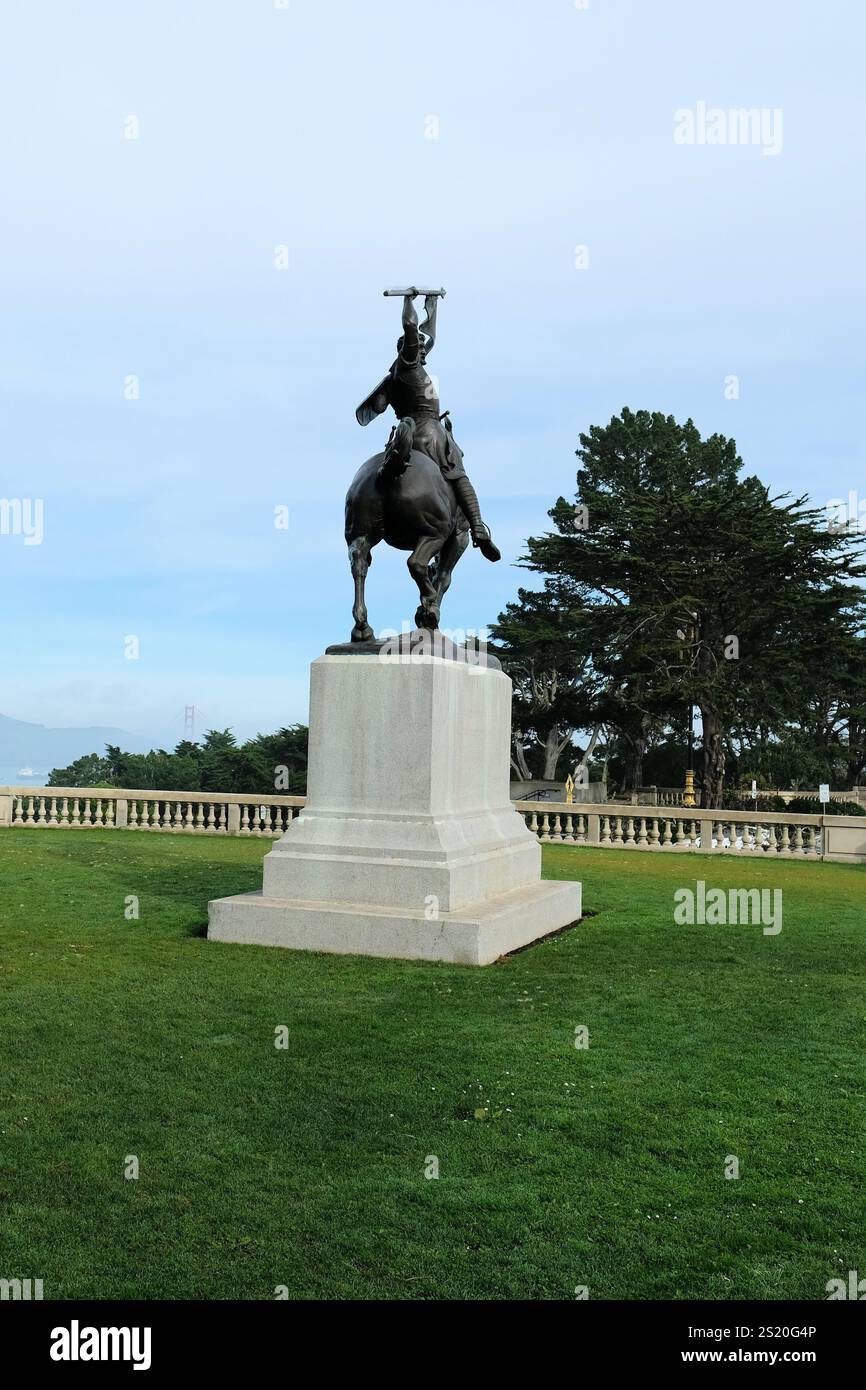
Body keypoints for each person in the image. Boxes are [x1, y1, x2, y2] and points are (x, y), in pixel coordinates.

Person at [355, 291, 501, 561]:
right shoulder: (408, 365)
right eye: (418, 349)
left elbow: (426, 339)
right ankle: (478, 528)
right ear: (408, 350)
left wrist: (431, 309)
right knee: (458, 474)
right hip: (429, 433)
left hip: (405, 430)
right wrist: (408, 301)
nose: (423, 352)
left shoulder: (396, 375)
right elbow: (411, 328)